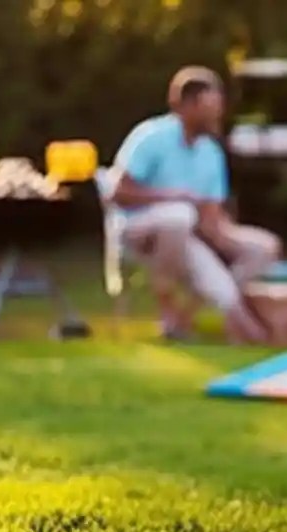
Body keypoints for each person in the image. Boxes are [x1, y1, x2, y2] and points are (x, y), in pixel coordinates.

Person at [111, 67, 278, 344]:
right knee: (178, 215)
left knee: (259, 252)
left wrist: (234, 242)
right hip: (137, 228)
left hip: (185, 233)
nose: (217, 114)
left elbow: (212, 220)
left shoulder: (211, 153)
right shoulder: (152, 137)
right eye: (210, 106)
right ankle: (167, 309)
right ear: (186, 105)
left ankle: (189, 319)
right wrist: (173, 196)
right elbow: (119, 192)